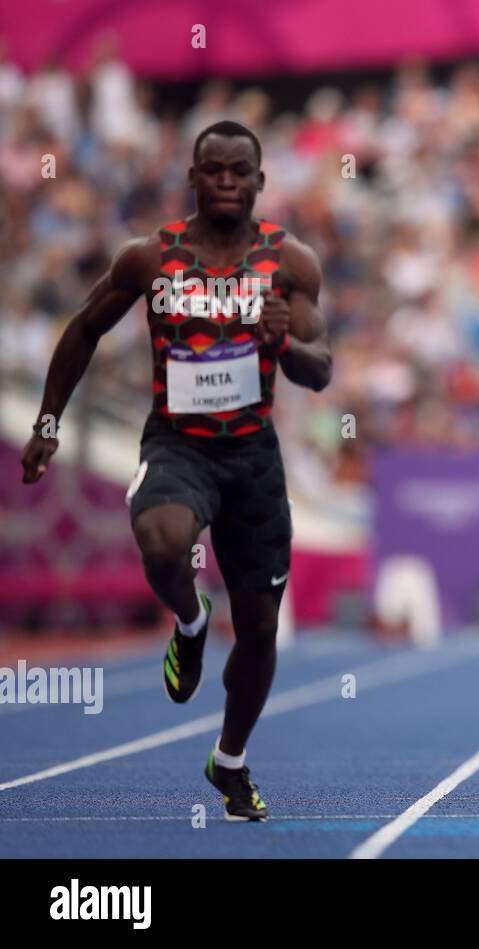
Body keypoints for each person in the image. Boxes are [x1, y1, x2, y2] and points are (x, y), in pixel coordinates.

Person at [21, 120, 332, 817]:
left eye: (238, 171)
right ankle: (189, 622)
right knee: (162, 541)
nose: (225, 181)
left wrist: (283, 345)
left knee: (257, 632)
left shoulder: (291, 262)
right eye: (212, 169)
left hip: (252, 456)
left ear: (259, 181)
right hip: (177, 444)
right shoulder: (150, 257)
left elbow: (320, 368)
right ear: (191, 177)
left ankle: (230, 760)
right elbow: (83, 328)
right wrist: (48, 422)